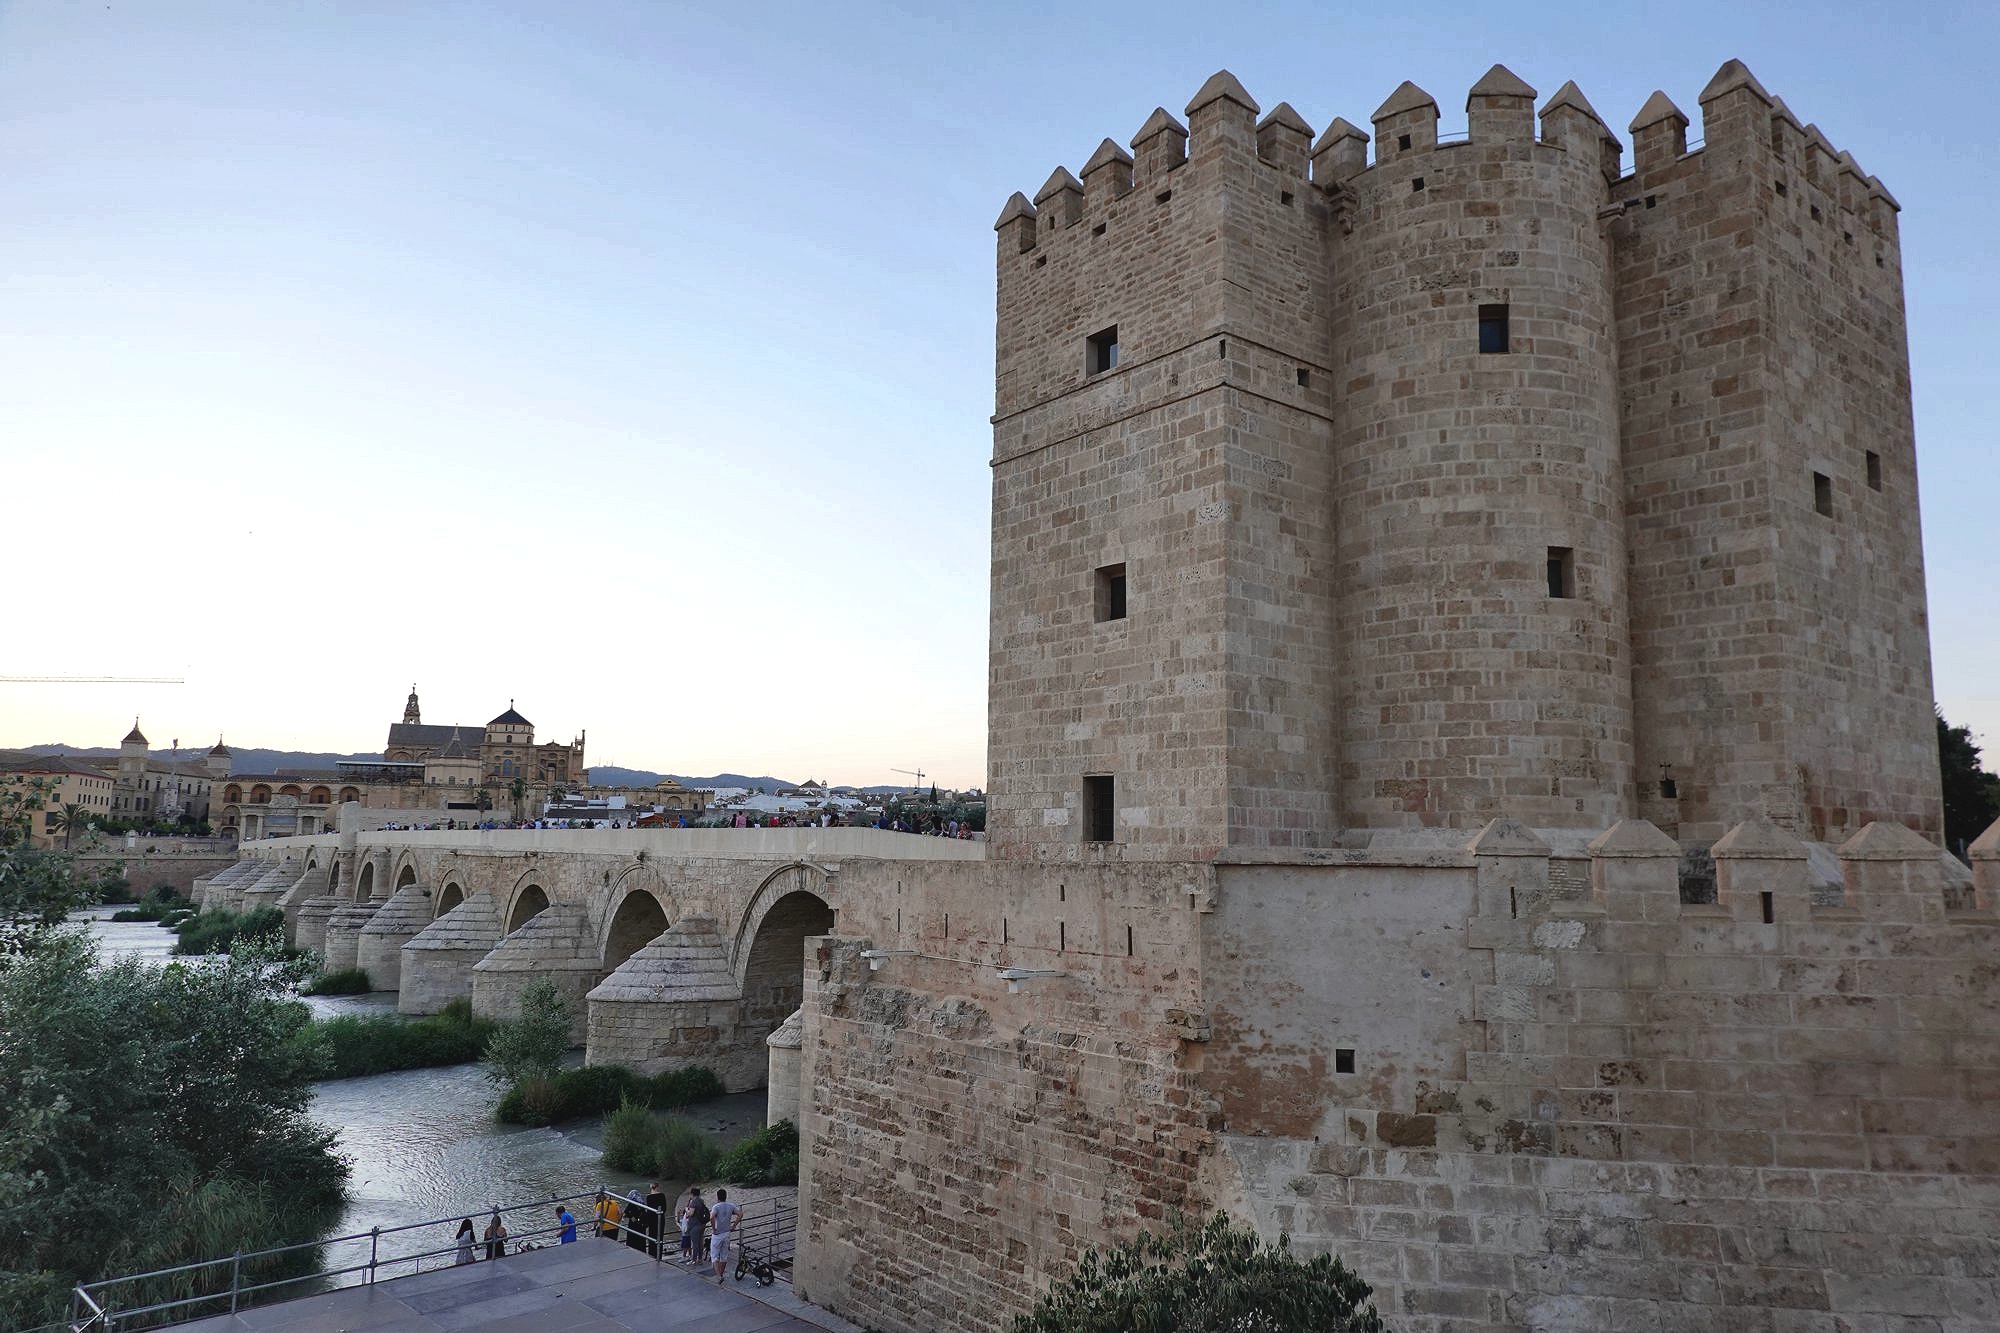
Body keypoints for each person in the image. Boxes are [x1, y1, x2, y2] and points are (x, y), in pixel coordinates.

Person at [708, 1188, 740, 1284]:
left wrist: (714, 1228)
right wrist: (734, 1225)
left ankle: (718, 1276)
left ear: (717, 1197)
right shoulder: (731, 1206)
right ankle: (721, 1275)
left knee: (714, 1256)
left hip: (717, 1234)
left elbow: (711, 1217)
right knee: (724, 1256)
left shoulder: (716, 1207)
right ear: (725, 1196)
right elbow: (740, 1214)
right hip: (727, 1233)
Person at [681, 1187, 708, 1263]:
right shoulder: (701, 1201)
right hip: (702, 1224)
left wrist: (686, 1209)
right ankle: (700, 1258)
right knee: (700, 1242)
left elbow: (691, 1213)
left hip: (694, 1225)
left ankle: (694, 1259)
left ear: (692, 1193)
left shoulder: (694, 1202)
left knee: (695, 1243)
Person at [645, 1181, 669, 1259]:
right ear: (658, 1187)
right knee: (660, 1237)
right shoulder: (662, 1195)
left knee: (652, 1237)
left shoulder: (649, 1197)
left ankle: (652, 1254)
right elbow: (664, 1208)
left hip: (652, 1220)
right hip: (661, 1218)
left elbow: (648, 1211)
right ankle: (659, 1255)